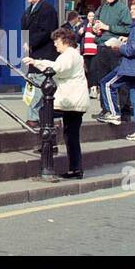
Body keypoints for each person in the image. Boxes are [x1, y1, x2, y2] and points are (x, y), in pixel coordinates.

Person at [23, 27, 89, 179]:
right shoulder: (74, 54)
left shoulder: (68, 55)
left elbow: (56, 68)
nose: (55, 45)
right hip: (76, 101)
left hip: (69, 100)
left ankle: (49, 142)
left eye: (57, 41)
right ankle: (76, 169)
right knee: (71, 136)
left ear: (64, 41)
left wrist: (35, 62)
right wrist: (36, 62)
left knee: (44, 113)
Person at [97, 0, 135, 141]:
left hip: (132, 67)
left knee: (107, 83)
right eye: (131, 8)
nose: (131, 11)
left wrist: (119, 47)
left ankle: (113, 113)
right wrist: (127, 40)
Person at [89, 0, 132, 121]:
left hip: (116, 47)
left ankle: (124, 109)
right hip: (102, 46)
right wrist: (95, 28)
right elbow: (95, 25)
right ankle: (106, 109)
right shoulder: (101, 8)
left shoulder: (123, 8)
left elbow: (127, 28)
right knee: (102, 79)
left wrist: (107, 26)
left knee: (119, 80)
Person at [19, 0, 57, 129]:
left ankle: (34, 118)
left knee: (40, 85)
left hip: (43, 53)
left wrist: (31, 43)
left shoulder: (47, 9)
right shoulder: (29, 10)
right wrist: (27, 43)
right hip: (33, 53)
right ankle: (36, 116)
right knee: (33, 85)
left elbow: (46, 31)